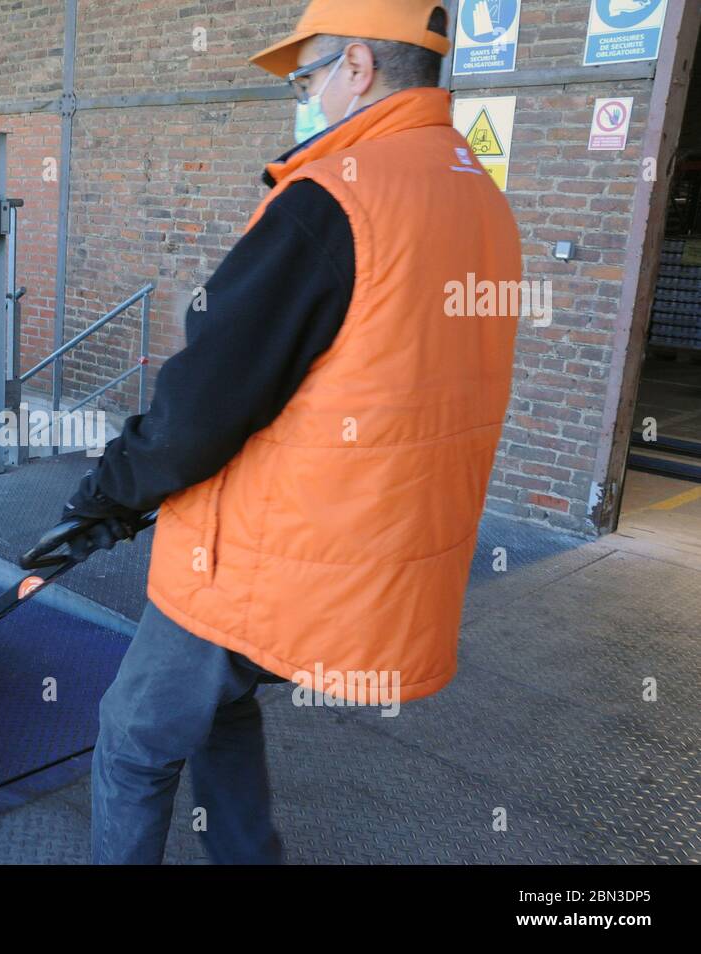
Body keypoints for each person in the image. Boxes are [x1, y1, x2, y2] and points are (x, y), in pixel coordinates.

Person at [44, 0, 524, 864]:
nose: (303, 99)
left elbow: (206, 404)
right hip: (379, 553)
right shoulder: (481, 202)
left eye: (307, 78)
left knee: (131, 739)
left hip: (271, 555)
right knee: (219, 703)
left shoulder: (335, 200)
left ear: (359, 68)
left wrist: (107, 491)